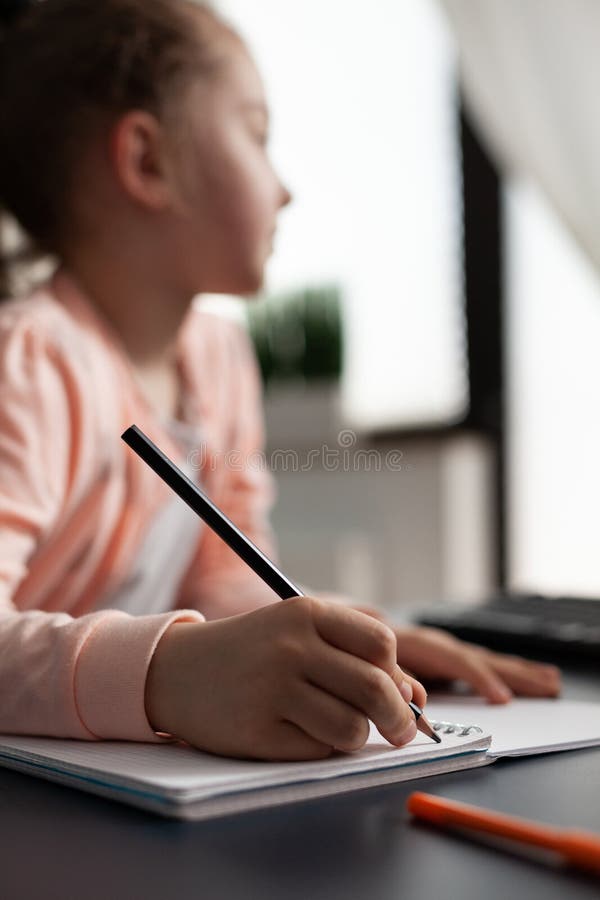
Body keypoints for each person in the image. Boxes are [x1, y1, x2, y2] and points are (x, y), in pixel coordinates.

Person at [0, 0, 560, 762]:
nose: (285, 188)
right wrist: (167, 674)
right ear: (147, 161)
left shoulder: (220, 358)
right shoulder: (29, 363)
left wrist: (346, 633)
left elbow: (226, 580)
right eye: (257, 134)